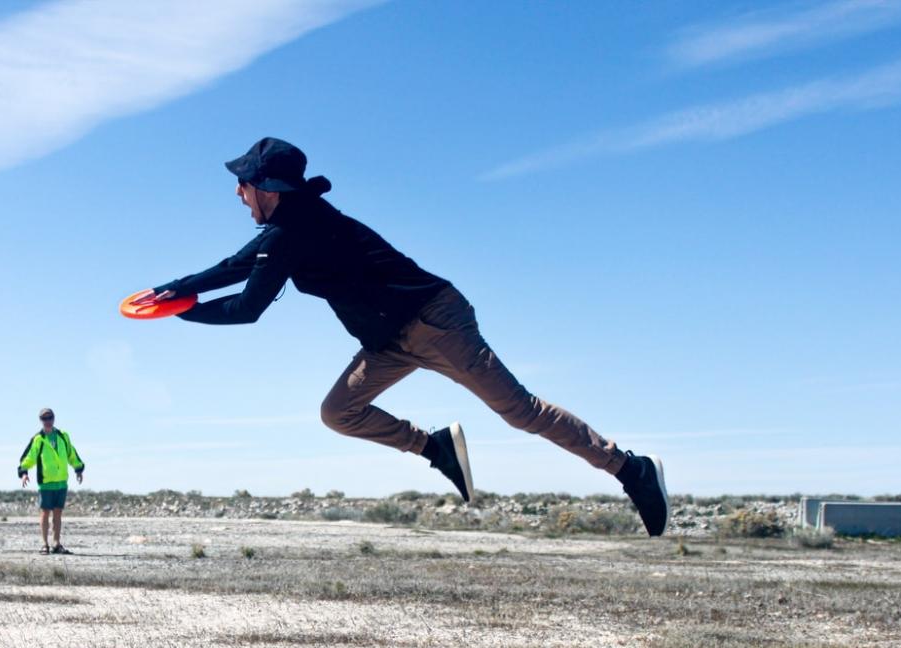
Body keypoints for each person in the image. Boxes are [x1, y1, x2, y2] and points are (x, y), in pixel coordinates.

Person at [132, 137, 669, 536]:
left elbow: (248, 306)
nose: (237, 190)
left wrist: (180, 313)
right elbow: (235, 266)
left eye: (244, 182)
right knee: (339, 412)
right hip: (387, 343)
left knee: (520, 412)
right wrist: (172, 291)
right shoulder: (287, 226)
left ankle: (631, 469)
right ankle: (435, 447)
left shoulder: (298, 228)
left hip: (435, 322)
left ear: (267, 189)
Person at [17, 408, 85, 554]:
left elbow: (71, 454)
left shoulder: (63, 436)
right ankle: (44, 544)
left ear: (54, 419)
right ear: (41, 421)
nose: (47, 421)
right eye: (44, 419)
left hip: (61, 482)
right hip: (46, 483)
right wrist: (23, 472)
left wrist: (78, 469)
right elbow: (29, 457)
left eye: (50, 418)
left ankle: (56, 543)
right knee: (45, 513)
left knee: (58, 513)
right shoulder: (38, 439)